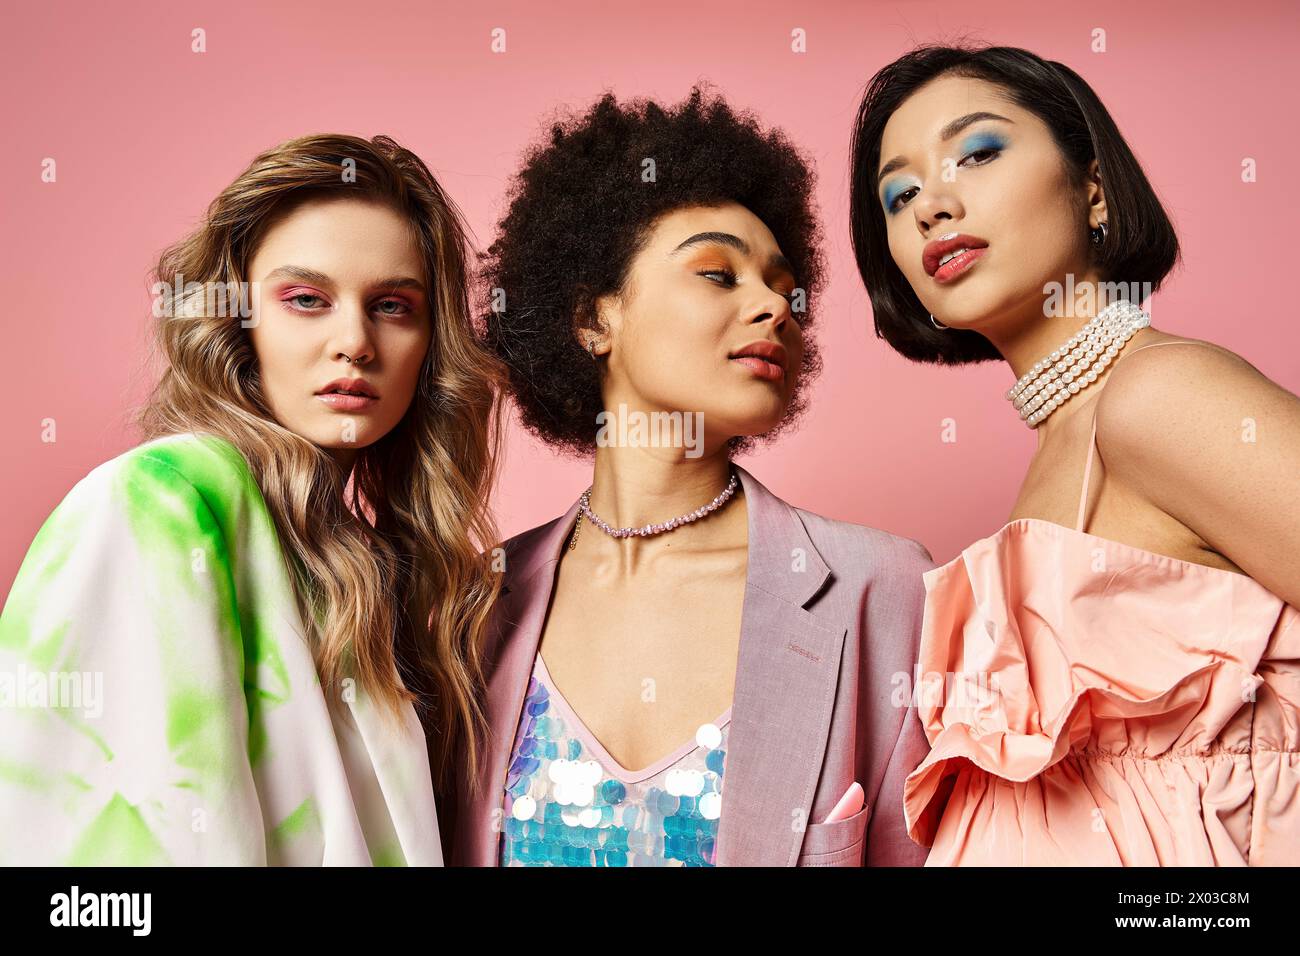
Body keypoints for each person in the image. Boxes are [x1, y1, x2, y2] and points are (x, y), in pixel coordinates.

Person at [445, 86, 934, 867]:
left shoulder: (885, 588)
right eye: (718, 273)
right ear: (592, 318)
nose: (775, 307)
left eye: (783, 286)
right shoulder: (474, 603)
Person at [849, 44, 1300, 865]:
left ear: (1093, 185)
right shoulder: (1068, 446)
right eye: (899, 193)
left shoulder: (1157, 398)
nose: (930, 207)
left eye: (977, 153)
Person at [0, 133, 504, 865]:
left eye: (393, 306)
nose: (355, 342)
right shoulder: (160, 505)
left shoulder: (358, 562)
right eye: (306, 300)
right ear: (240, 321)